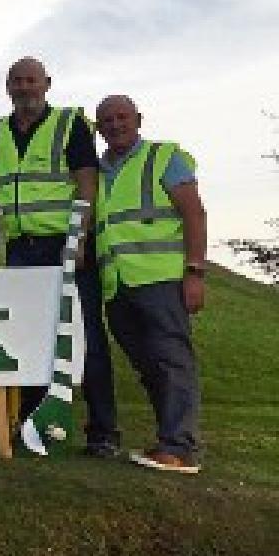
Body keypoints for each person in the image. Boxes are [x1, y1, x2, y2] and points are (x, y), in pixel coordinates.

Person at [0, 56, 120, 456]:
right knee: (31, 338)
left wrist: (78, 240)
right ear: (7, 86)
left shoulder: (69, 124)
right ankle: (34, 424)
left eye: (31, 80)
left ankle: (103, 432)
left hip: (64, 246)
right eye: (17, 81)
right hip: (22, 248)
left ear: (46, 84)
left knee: (85, 336)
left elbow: (87, 184)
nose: (24, 87)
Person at [94, 95, 206, 474]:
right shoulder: (98, 170)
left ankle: (179, 447)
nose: (115, 125)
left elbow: (194, 213)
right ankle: (169, 438)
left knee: (172, 361)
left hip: (160, 279)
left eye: (122, 117)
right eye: (106, 121)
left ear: (138, 119)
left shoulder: (164, 157)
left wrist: (195, 271)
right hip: (118, 283)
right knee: (148, 365)